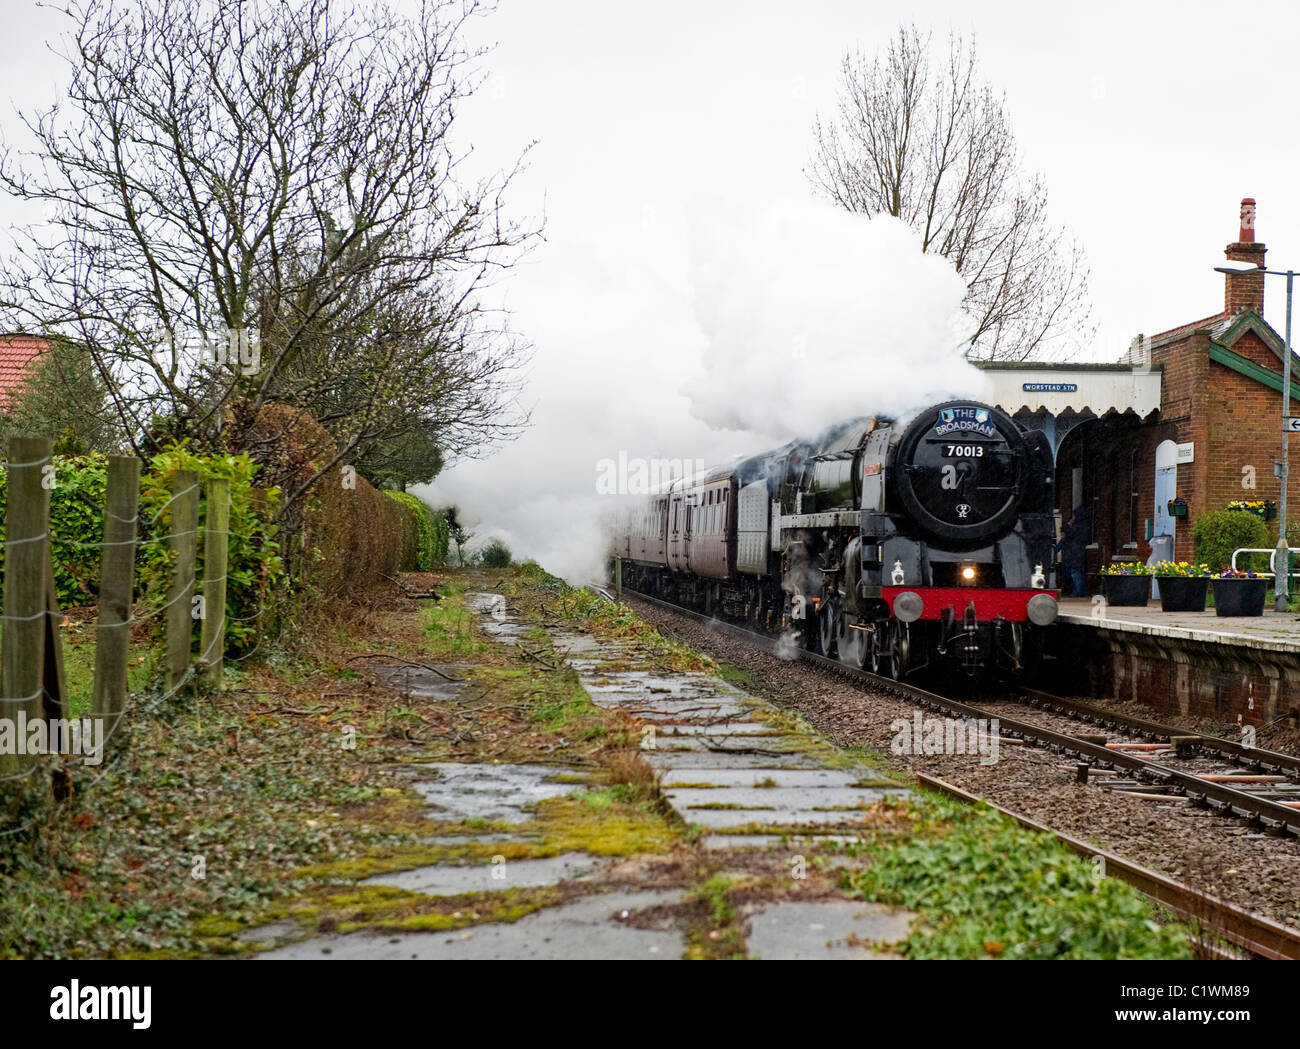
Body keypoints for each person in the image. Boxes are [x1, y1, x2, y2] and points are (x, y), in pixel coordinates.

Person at [1056, 506, 1089, 596]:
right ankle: (1078, 591)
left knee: (1075, 573)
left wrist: (1068, 524)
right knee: (1076, 573)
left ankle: (1079, 592)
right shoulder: (1083, 526)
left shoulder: (1077, 527)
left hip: (1075, 553)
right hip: (1076, 553)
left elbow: (1068, 533)